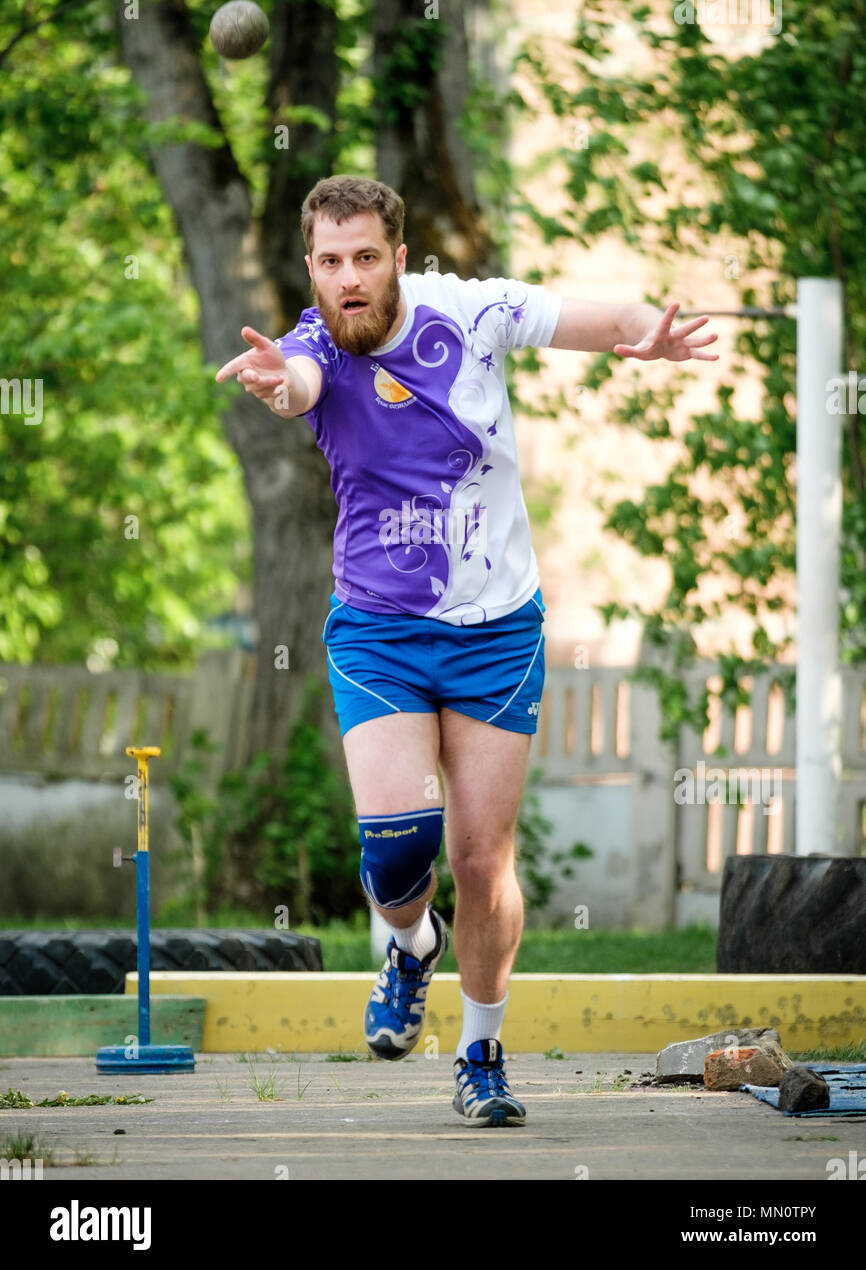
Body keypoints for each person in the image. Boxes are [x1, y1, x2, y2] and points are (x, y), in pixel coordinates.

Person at [216, 174, 718, 1127]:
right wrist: (281, 388)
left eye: (367, 258)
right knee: (399, 849)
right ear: (311, 268)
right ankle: (409, 948)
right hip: (380, 629)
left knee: (484, 858)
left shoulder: (470, 310)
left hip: (497, 630)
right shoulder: (308, 346)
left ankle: (481, 1049)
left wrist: (641, 329)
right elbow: (302, 385)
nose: (349, 279)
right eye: (329, 262)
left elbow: (588, 311)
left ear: (400, 258)